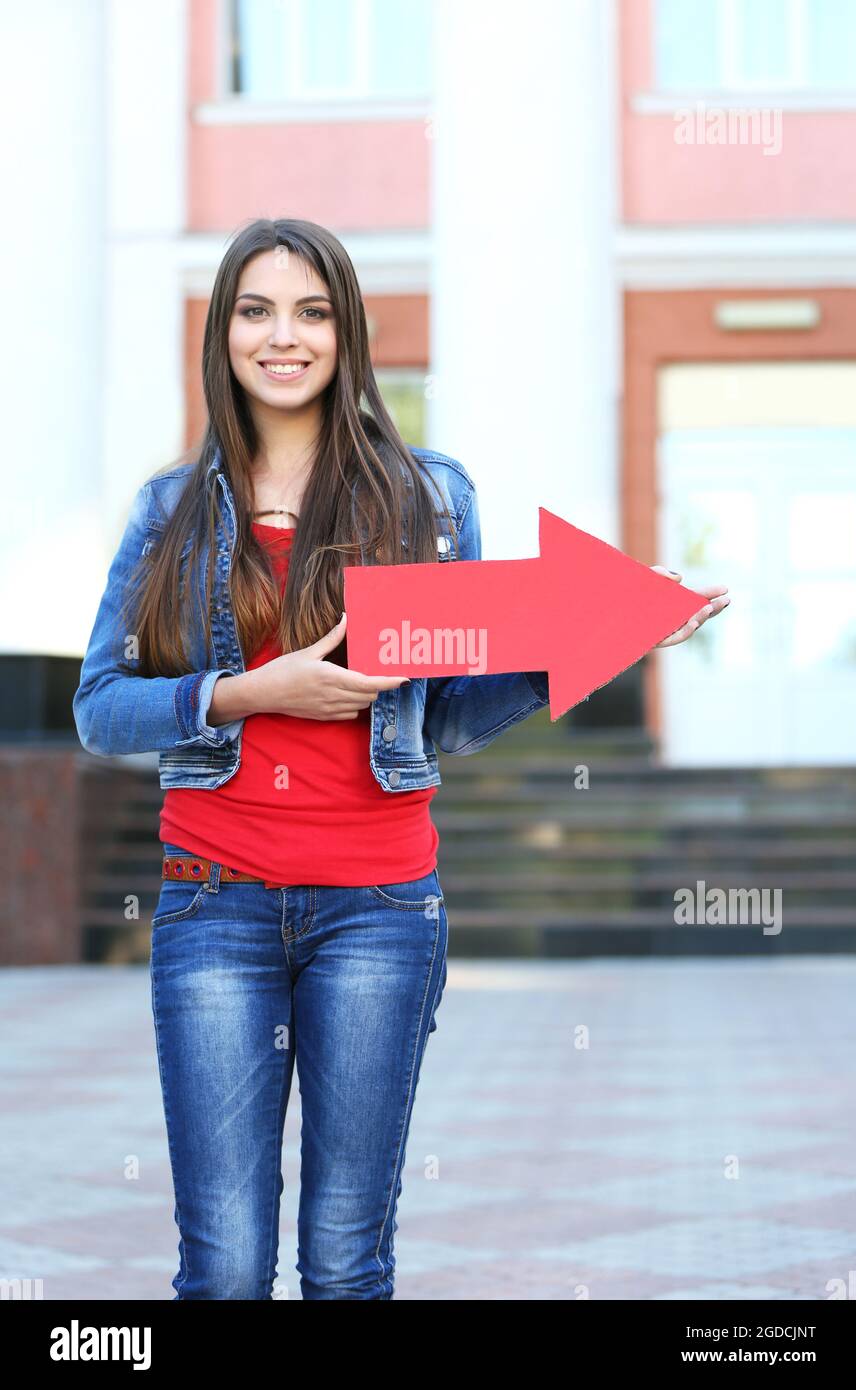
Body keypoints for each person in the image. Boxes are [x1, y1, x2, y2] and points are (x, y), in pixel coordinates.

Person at [73, 217, 729, 1300]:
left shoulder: (425, 499)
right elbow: (100, 712)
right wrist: (245, 693)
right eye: (255, 310)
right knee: (225, 1266)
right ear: (222, 333)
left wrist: (596, 642)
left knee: (344, 1260)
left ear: (347, 332)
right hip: (212, 906)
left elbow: (449, 720)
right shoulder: (167, 513)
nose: (283, 337)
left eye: (310, 311)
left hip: (378, 910)